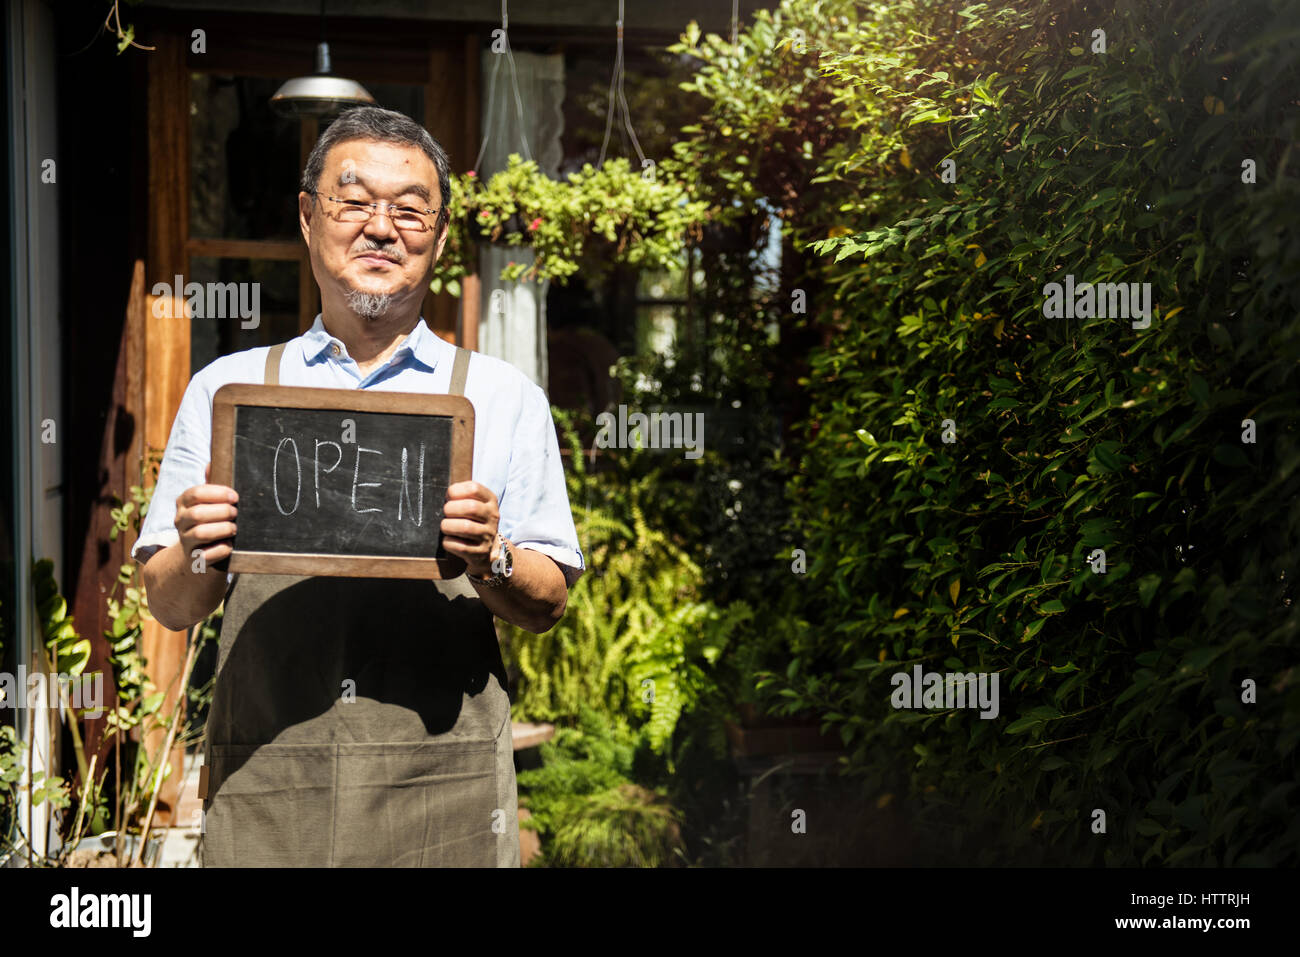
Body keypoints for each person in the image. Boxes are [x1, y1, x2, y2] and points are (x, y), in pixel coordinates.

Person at [133, 106, 584, 867]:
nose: (383, 227)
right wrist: (198, 547)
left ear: (439, 238)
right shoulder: (230, 389)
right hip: (271, 777)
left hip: (445, 787)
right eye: (354, 202)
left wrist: (492, 555)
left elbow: (549, 602)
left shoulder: (504, 396)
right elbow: (169, 603)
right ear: (309, 218)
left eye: (411, 209)